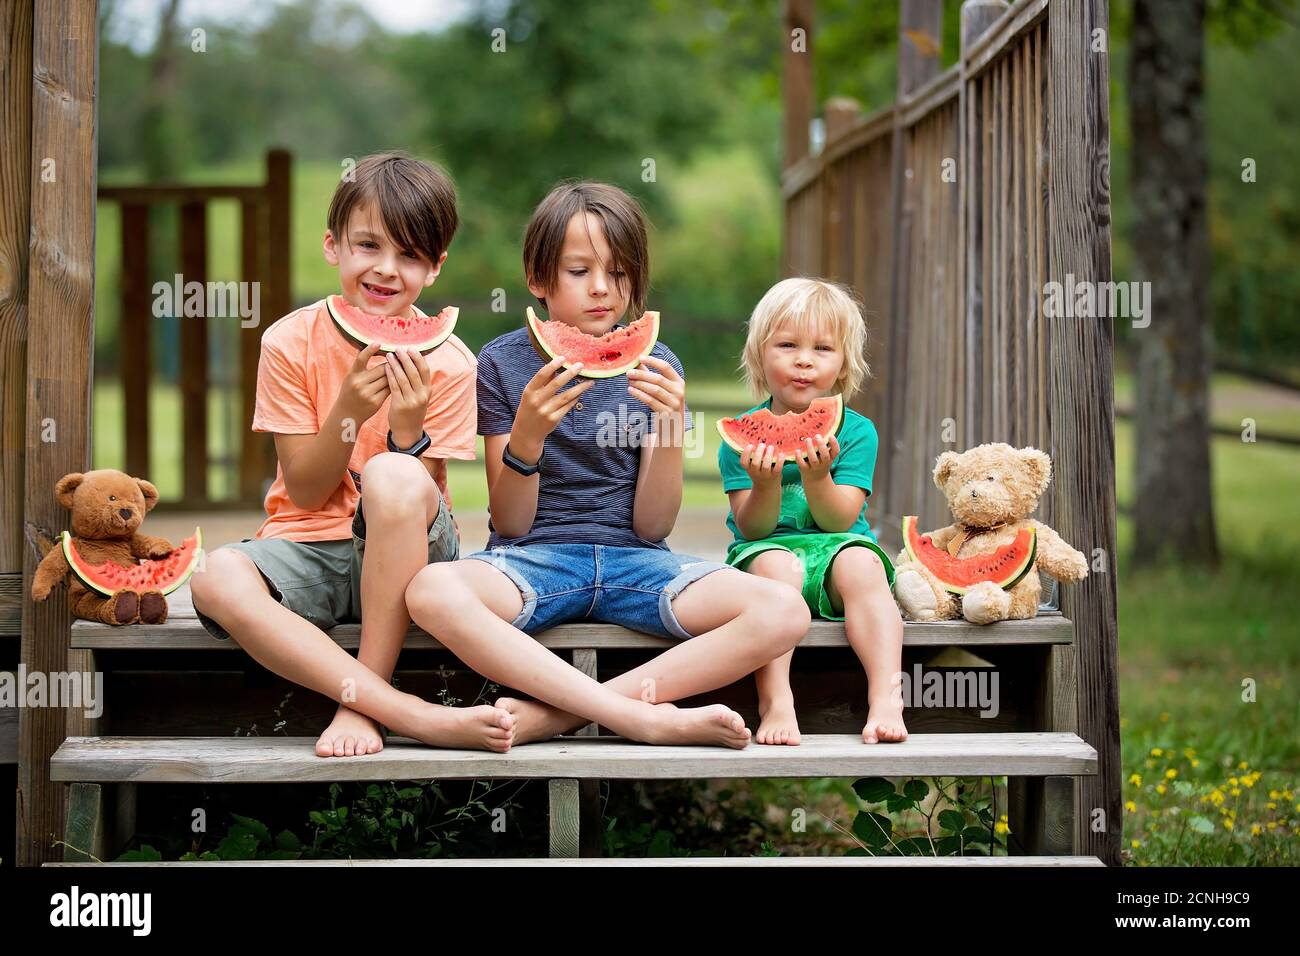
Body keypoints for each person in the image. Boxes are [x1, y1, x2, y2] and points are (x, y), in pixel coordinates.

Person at [404, 181, 810, 748]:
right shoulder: (502, 361)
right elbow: (512, 524)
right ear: (537, 278)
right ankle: (642, 716)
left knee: (785, 611)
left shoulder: (659, 364)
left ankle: (558, 716)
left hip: (638, 564)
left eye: (620, 273)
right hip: (532, 561)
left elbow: (653, 526)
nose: (602, 289)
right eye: (579, 271)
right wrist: (528, 436)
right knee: (429, 591)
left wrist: (669, 429)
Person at [192, 152, 517, 757]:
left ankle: (356, 705)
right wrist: (346, 410)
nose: (386, 270)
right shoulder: (290, 341)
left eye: (410, 255)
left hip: (412, 554)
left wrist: (405, 429)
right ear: (332, 246)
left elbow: (413, 496)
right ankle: (404, 712)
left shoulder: (450, 361)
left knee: (394, 475)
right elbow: (309, 493)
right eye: (368, 246)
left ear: (435, 267)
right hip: (308, 545)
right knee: (214, 577)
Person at [718, 277, 906, 746]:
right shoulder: (739, 438)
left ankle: (886, 696)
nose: (804, 360)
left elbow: (841, 520)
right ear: (760, 355)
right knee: (777, 565)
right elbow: (752, 527)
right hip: (766, 552)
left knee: (865, 565)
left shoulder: (858, 433)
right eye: (787, 345)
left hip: (838, 548)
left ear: (844, 364)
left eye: (823, 348)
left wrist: (818, 477)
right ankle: (776, 698)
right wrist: (763, 485)